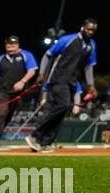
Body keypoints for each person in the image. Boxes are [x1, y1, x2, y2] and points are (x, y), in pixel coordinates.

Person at [26, 19, 99, 153]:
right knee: (63, 105)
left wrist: (91, 85)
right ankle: (35, 135)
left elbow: (89, 67)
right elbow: (47, 55)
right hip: (58, 79)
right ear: (82, 27)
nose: (90, 32)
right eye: (88, 29)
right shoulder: (67, 39)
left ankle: (44, 142)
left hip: (72, 82)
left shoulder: (91, 45)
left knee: (61, 112)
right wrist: (41, 74)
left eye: (93, 30)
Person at [0, 36, 38, 147]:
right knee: (2, 113)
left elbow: (32, 71)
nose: (10, 48)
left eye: (13, 45)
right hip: (2, 91)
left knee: (8, 115)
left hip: (18, 93)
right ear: (5, 46)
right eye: (8, 46)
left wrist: (22, 81)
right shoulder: (0, 59)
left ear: (18, 45)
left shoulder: (26, 55)